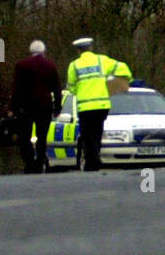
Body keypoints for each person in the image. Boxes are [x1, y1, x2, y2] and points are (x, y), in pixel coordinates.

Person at [66, 37, 132, 172]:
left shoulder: (74, 65)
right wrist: (126, 79)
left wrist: (81, 89)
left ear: (78, 51)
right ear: (90, 48)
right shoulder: (102, 60)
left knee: (86, 135)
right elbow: (123, 68)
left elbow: (71, 87)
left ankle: (91, 162)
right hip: (102, 106)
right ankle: (96, 159)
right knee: (97, 133)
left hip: (85, 107)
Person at [10, 40, 61, 174]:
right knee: (42, 136)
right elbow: (56, 88)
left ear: (30, 51)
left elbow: (16, 88)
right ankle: (39, 163)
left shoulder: (21, 65)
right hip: (45, 105)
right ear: (44, 51)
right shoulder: (50, 65)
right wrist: (57, 108)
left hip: (26, 106)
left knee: (25, 136)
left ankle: (29, 162)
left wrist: (13, 107)